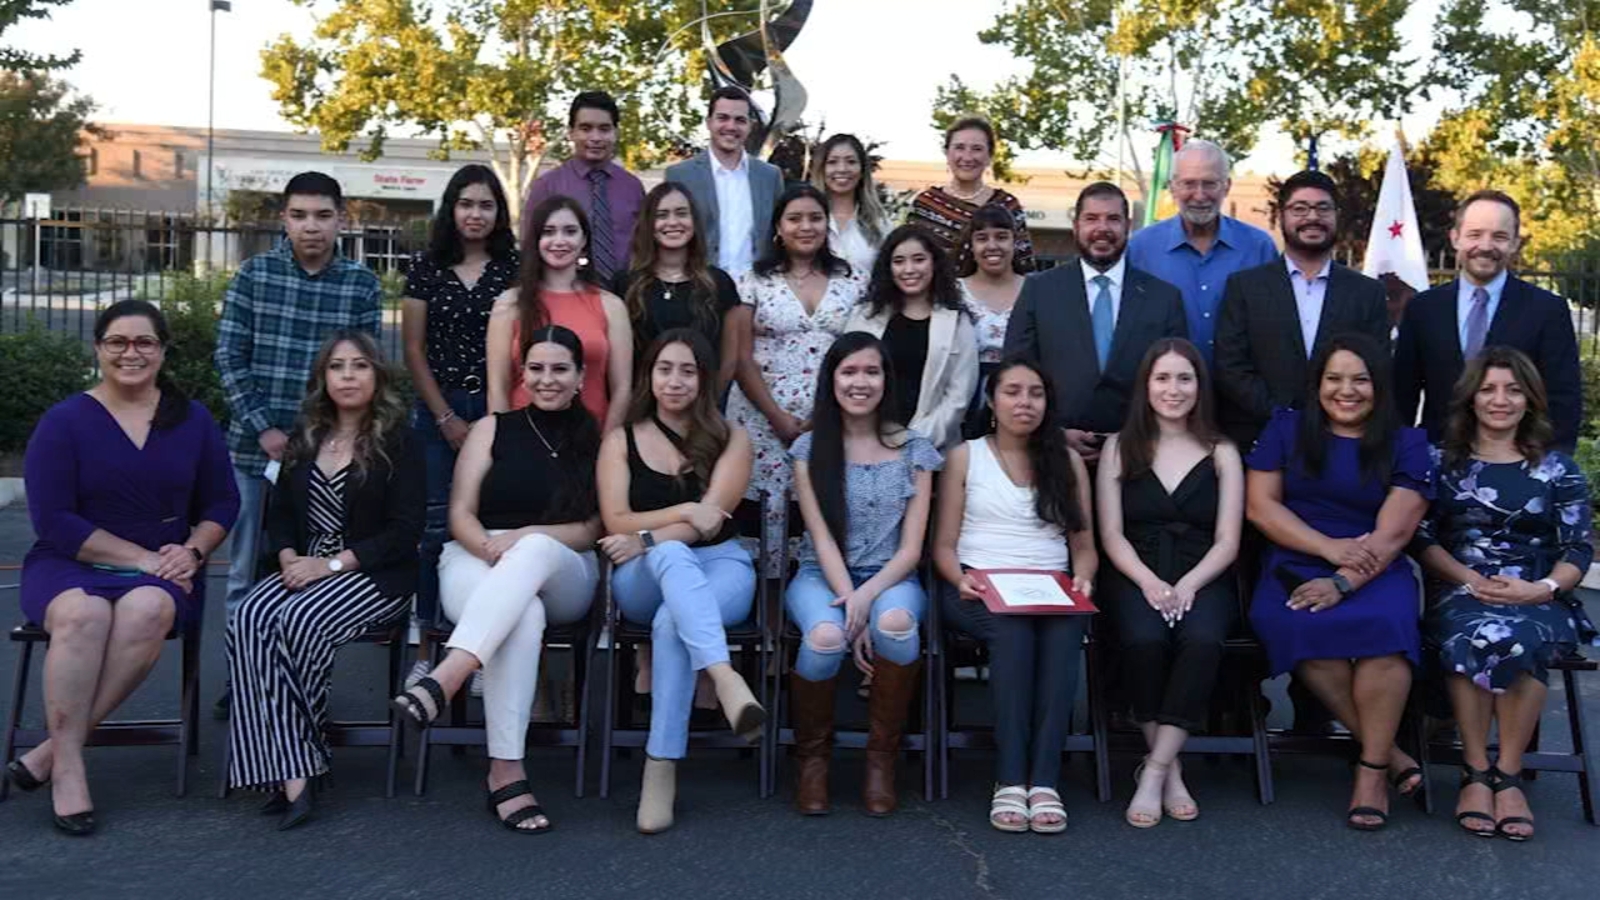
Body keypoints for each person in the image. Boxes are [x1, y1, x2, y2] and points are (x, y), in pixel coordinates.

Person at [4, 301, 238, 836]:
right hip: (72, 562)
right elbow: (53, 520)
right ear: (98, 348)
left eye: (144, 342)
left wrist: (194, 551)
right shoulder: (64, 422)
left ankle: (48, 751)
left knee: (147, 610)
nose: (131, 353)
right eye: (118, 342)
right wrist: (144, 558)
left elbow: (223, 503)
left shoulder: (192, 419)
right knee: (84, 617)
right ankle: (66, 767)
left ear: (161, 350)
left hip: (167, 571)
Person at [390, 325, 601, 834]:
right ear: (522, 374)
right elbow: (460, 513)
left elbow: (595, 526)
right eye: (537, 368)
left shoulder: (596, 436)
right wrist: (487, 547)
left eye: (559, 369)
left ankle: (449, 675)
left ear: (580, 376)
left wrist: (525, 538)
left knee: (532, 554)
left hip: (563, 562)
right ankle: (507, 772)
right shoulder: (491, 428)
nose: (547, 379)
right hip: (476, 554)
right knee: (521, 613)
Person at [227, 331, 423, 831]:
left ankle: (291, 773)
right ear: (323, 378)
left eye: (360, 365)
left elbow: (404, 533)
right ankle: (293, 763)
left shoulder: (400, 441)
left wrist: (331, 566)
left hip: (372, 575)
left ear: (377, 375)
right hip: (305, 565)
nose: (349, 376)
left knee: (296, 618)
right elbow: (281, 516)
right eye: (338, 367)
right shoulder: (306, 436)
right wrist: (291, 557)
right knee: (248, 615)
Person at [1244, 333, 1433, 831]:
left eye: (1360, 379)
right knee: (1299, 626)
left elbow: (1395, 531)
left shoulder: (1407, 441)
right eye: (1334, 378)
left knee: (1384, 639)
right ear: (1317, 383)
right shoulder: (1286, 428)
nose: (1346, 390)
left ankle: (1370, 773)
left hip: (1375, 568)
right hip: (1297, 560)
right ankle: (1390, 754)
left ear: (1380, 386)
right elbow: (1260, 506)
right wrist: (1328, 552)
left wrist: (1344, 582)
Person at [213, 171, 383, 716]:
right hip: (251, 450)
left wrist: (321, 440)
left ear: (341, 219)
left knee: (313, 570)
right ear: (283, 218)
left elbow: (364, 371)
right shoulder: (253, 276)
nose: (311, 226)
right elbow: (229, 357)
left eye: (323, 215)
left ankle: (297, 683)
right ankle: (244, 682)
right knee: (245, 571)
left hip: (326, 457)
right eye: (300, 215)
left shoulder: (360, 284)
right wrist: (264, 427)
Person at [1415, 347, 1594, 841]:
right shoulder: (1440, 463)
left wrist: (1542, 589)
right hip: (1459, 585)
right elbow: (1422, 537)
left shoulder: (1559, 469)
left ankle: (1508, 774)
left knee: (1523, 636)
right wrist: (1470, 581)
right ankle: (1475, 770)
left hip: (1537, 591)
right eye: (1489, 389)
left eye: (1513, 390)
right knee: (1473, 631)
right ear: (1471, 398)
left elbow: (1579, 546)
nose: (1500, 400)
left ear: (1529, 399)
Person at [598, 330, 765, 834]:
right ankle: (725, 677)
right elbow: (614, 518)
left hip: (721, 566)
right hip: (641, 581)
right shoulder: (619, 439)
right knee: (671, 559)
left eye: (688, 370)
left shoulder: (733, 436)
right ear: (649, 375)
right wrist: (682, 514)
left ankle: (660, 769)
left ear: (704, 378)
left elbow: (714, 521)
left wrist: (649, 536)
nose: (675, 380)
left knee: (676, 620)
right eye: (665, 368)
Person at [933, 356, 1097, 834]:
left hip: (1051, 587)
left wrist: (1083, 578)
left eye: (1035, 393)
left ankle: (1044, 780)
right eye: (1012, 391)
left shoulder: (1064, 461)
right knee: (1013, 634)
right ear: (991, 399)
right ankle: (1009, 779)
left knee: (1065, 634)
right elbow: (943, 544)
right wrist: (958, 577)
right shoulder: (966, 456)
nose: (1024, 402)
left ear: (1048, 403)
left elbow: (1083, 546)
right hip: (980, 586)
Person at [785, 332, 941, 817]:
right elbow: (820, 537)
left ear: (886, 380)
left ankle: (881, 760)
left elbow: (912, 549)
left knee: (895, 624)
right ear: (831, 379)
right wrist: (850, 601)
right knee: (827, 635)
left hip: (892, 574)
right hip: (821, 573)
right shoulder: (809, 449)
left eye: (871, 372)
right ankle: (812, 760)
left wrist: (867, 598)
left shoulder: (916, 448)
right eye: (849, 372)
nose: (860, 382)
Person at [1096, 338, 1243, 828]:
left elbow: (1228, 540)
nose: (1173, 389)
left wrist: (1188, 585)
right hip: (1136, 572)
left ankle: (1155, 768)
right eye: (1162, 378)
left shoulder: (1222, 450)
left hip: (1204, 574)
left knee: (1201, 641)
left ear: (1200, 387)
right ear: (1145, 385)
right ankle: (1172, 768)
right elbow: (1111, 533)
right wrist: (1150, 583)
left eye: (1184, 378)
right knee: (1143, 640)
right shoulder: (1120, 446)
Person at [401, 163, 519, 690]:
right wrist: (445, 417)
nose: (475, 214)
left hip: (498, 408)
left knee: (489, 526)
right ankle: (428, 643)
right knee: (433, 529)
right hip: (437, 410)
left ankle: (478, 647)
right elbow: (411, 348)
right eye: (466, 204)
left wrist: (495, 419)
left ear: (499, 213)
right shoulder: (426, 267)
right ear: (451, 209)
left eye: (486, 205)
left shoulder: (515, 269)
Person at [724, 184, 867, 564]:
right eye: (795, 218)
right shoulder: (750, 279)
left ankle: (805, 596)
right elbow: (740, 356)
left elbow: (863, 353)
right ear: (778, 227)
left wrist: (822, 416)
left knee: (813, 508)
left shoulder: (854, 280)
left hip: (830, 417)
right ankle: (756, 602)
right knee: (758, 509)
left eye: (815, 218)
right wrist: (777, 417)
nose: (806, 226)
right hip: (759, 416)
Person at [1003, 181, 1186, 463]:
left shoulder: (1164, 298)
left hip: (1139, 458)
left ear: (1128, 225)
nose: (1102, 228)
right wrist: (1053, 432)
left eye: (1112, 219)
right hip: (1054, 456)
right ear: (1075, 225)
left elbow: (1177, 381)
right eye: (1091, 219)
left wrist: (1134, 439)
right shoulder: (1039, 290)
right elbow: (1015, 373)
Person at [1213, 169, 1390, 450]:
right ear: (1280, 216)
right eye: (1300, 208)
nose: (1312, 217)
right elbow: (1231, 367)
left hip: (1343, 442)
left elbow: (1377, 367)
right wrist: (1285, 418)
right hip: (1261, 438)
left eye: (1323, 208)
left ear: (1336, 216)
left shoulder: (1368, 293)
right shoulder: (1244, 288)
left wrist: (1330, 420)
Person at [1394, 189, 1583, 451]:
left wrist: (1549, 470)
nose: (1485, 246)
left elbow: (1564, 400)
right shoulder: (1423, 309)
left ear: (1515, 243)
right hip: (1435, 464)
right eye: (1475, 234)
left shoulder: (1548, 310)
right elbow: (1402, 396)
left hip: (1517, 467)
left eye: (1499, 236)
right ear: (1455, 238)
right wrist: (1401, 467)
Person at [486, 195, 633, 433]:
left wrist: (608, 447)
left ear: (584, 240)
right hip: (525, 436)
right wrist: (504, 443)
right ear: (536, 239)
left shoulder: (612, 306)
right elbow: (498, 388)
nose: (559, 240)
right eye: (549, 231)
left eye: (570, 231)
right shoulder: (510, 304)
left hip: (590, 439)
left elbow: (622, 389)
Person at [1125, 139, 1278, 367]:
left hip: (1240, 395)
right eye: (1189, 184)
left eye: (1209, 184)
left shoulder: (1259, 248)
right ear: (1173, 186)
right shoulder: (1140, 248)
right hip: (1168, 396)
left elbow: (1273, 327)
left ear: (1226, 186)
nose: (1199, 195)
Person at [845, 224, 979, 451]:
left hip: (932, 448)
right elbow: (845, 378)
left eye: (919, 259)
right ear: (888, 267)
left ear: (934, 263)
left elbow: (959, 397)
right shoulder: (865, 316)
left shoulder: (957, 322)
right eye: (899, 261)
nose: (909, 269)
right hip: (866, 444)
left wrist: (915, 440)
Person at [612, 181, 741, 388]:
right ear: (648, 223)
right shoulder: (625, 284)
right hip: (640, 409)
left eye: (681, 213)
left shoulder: (720, 283)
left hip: (701, 409)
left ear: (694, 221)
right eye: (661, 215)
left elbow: (729, 361)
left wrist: (706, 407)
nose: (672, 222)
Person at [523, 90, 646, 283]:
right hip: (564, 295)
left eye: (604, 129)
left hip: (627, 296)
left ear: (616, 133)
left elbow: (645, 247)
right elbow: (529, 248)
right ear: (571, 132)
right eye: (586, 128)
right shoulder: (547, 186)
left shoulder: (632, 187)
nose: (595, 137)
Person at [664, 85, 785, 280]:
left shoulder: (770, 177)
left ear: (750, 126)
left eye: (740, 120)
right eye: (723, 118)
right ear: (709, 122)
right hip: (700, 287)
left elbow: (780, 236)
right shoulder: (679, 175)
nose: (731, 126)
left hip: (758, 291)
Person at [907, 116, 1034, 274]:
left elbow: (1023, 266)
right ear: (947, 153)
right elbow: (911, 262)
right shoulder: (926, 204)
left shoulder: (1008, 205)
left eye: (977, 149)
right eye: (959, 147)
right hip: (938, 296)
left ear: (989, 156)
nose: (967, 157)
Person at [956, 204, 1026, 440]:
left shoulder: (1036, 289)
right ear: (971, 246)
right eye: (982, 238)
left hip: (1020, 401)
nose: (992, 245)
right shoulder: (953, 291)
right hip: (962, 401)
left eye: (1001, 237)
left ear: (1015, 242)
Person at [811, 132, 891, 274]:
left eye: (851, 161)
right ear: (821, 169)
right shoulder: (805, 222)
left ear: (862, 171)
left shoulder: (881, 224)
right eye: (832, 162)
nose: (842, 169)